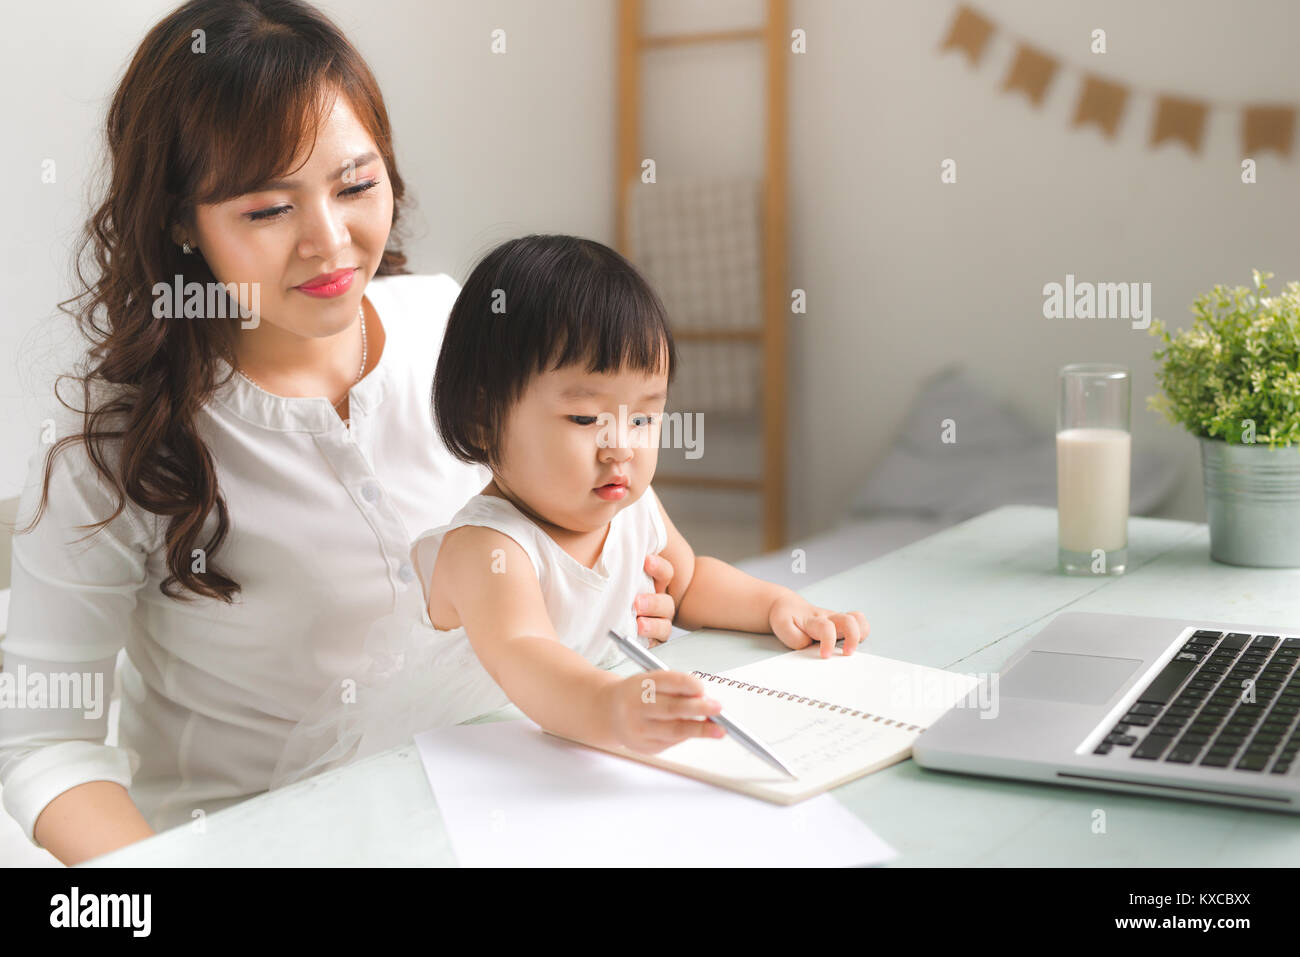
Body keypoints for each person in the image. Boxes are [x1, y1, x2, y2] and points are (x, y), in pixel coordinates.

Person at [0, 0, 678, 867]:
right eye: (266, 210)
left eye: (356, 186)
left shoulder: (455, 324)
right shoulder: (109, 443)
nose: (331, 244)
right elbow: (46, 745)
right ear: (180, 222)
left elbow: (585, 524)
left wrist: (616, 588)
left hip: (507, 807)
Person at [270, 235, 869, 788]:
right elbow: (526, 655)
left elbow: (689, 582)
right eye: (585, 418)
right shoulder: (487, 549)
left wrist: (777, 606)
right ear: (484, 418)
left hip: (552, 741)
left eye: (643, 417)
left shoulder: (628, 504)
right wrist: (611, 707)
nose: (620, 445)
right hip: (446, 757)